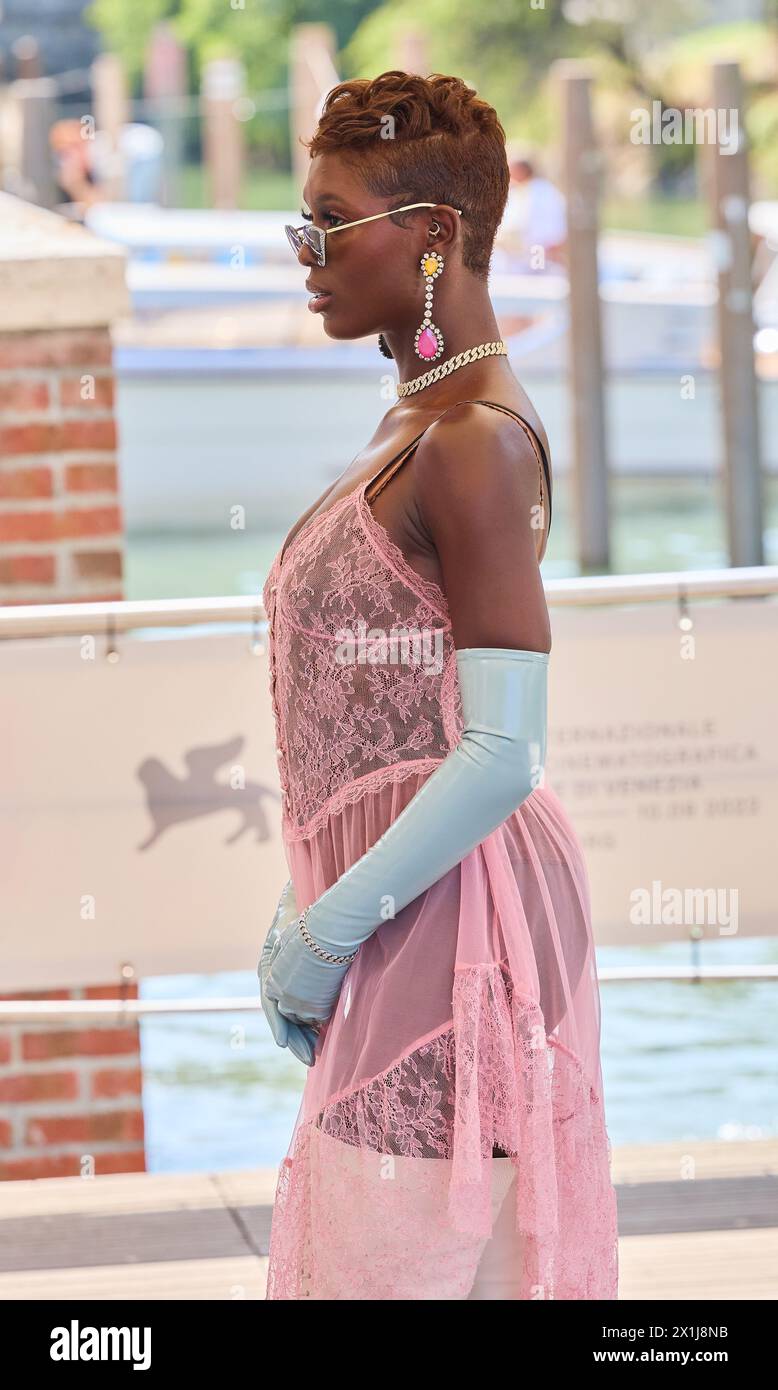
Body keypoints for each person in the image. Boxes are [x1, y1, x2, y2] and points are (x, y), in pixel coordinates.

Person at [258, 70, 618, 1300]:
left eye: (329, 222)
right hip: (398, 909)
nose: (305, 254)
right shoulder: (412, 415)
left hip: (466, 928)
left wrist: (325, 928)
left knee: (395, 1270)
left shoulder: (471, 440)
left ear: (433, 237)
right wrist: (314, 912)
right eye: (300, 225)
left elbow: (504, 750)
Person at [496, 145, 567, 274]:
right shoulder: (524, 192)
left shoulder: (540, 192)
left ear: (521, 171)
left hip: (538, 257)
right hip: (528, 257)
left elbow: (551, 231)